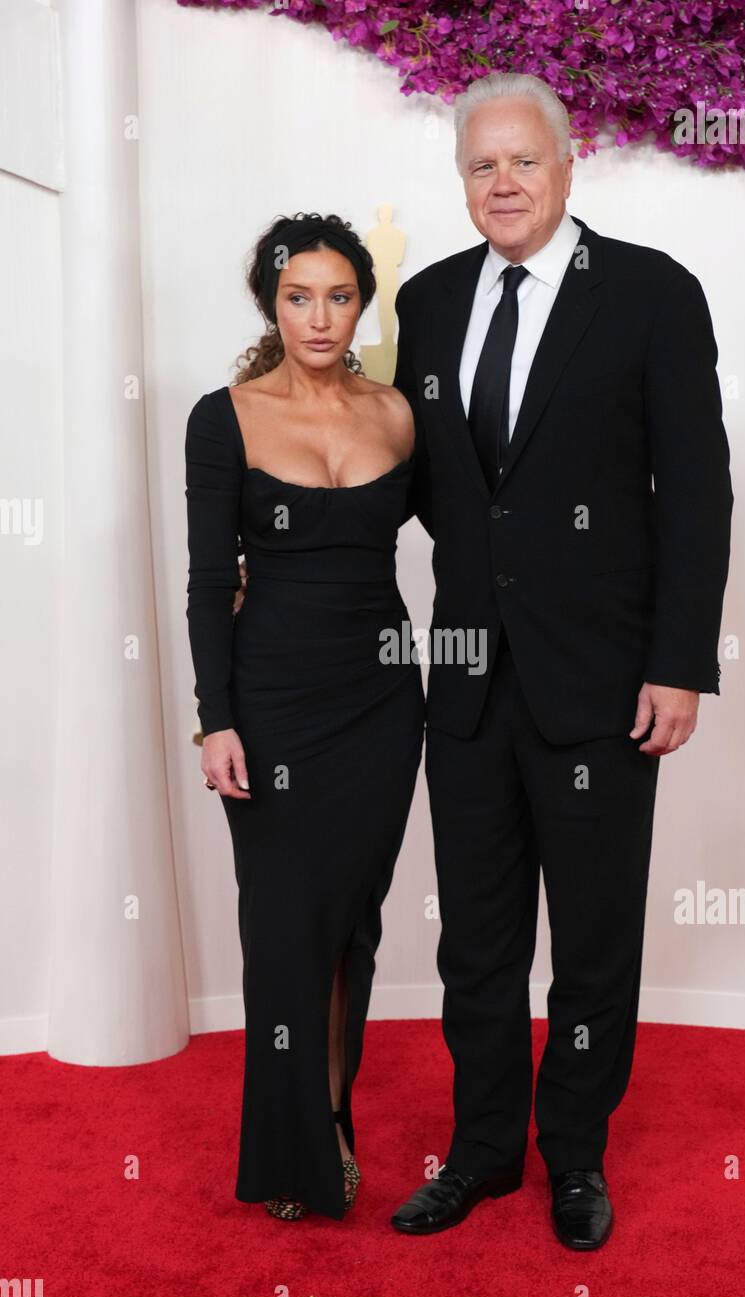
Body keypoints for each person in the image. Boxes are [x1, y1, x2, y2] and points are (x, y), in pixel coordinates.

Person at [391, 73, 733, 1249]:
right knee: (474, 941)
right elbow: (426, 484)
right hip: (466, 682)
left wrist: (678, 662)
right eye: (480, 165)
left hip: (601, 682)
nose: (502, 183)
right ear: (461, 179)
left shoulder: (648, 293)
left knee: (591, 938)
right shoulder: (427, 301)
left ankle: (573, 1153)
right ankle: (481, 1151)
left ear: (567, 163)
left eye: (522, 161)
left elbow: (696, 493)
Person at [185, 212, 424, 1221]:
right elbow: (208, 582)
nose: (319, 317)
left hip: (382, 701)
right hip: (271, 703)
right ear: (270, 304)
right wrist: (217, 719)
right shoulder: (225, 417)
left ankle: (329, 1118)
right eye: (297, 297)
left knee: (347, 927)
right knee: (285, 928)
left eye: (338, 296)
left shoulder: (399, 415)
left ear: (361, 305)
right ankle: (290, 1146)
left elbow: (484, 534)